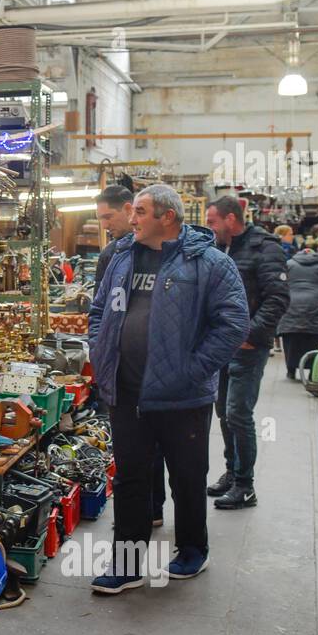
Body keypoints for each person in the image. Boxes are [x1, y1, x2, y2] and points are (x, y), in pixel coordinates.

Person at [88, 184, 249, 594]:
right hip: (126, 391)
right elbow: (99, 310)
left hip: (182, 396)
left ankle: (193, 549)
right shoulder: (121, 257)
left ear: (167, 217)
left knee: (187, 476)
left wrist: (191, 370)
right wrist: (101, 347)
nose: (133, 217)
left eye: (140, 211)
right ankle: (127, 565)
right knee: (130, 479)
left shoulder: (208, 263)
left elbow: (232, 324)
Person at [204, 196, 290, 509]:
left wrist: (248, 334)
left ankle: (245, 485)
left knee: (238, 412)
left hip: (248, 346)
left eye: (213, 221)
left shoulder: (264, 247)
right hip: (220, 345)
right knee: (224, 412)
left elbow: (278, 298)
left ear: (230, 219)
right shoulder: (218, 247)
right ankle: (232, 471)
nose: (209, 228)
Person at [93, 181, 168, 528]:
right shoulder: (114, 254)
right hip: (123, 370)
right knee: (134, 455)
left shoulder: (165, 254)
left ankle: (158, 510)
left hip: (164, 373)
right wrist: (101, 347)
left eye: (109, 217)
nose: (104, 225)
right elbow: (100, 310)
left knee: (163, 452)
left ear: (128, 208)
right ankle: (146, 513)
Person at [279, 247, 318, 380]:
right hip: (315, 304)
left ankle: (291, 369)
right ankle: (313, 370)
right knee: (315, 338)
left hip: (292, 303)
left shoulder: (289, 264)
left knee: (291, 337)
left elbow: (280, 285)